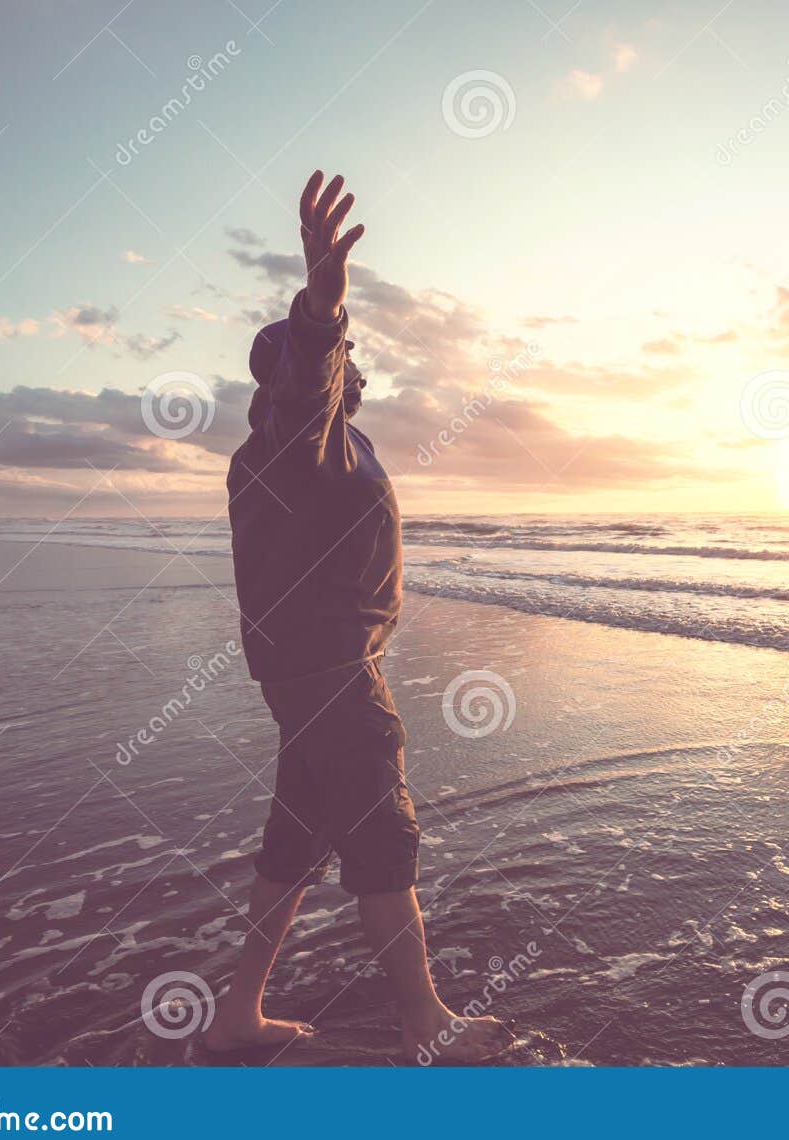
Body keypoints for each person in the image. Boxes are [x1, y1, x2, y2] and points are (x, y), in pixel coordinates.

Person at [204, 170, 508, 1064]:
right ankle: (426, 1024)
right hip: (334, 674)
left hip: (305, 671)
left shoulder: (289, 450)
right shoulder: (301, 439)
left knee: (295, 836)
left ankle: (236, 1014)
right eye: (343, 361)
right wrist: (322, 310)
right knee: (382, 827)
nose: (356, 367)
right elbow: (309, 388)